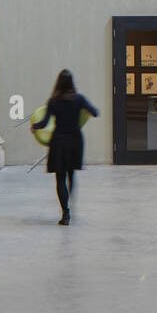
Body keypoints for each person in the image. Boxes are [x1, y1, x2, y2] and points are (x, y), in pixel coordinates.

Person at [31, 69, 99, 225]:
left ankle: (65, 212)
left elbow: (44, 122)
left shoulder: (53, 101)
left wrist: (34, 126)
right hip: (75, 141)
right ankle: (71, 204)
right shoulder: (80, 99)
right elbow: (95, 112)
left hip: (59, 142)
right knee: (71, 175)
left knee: (60, 178)